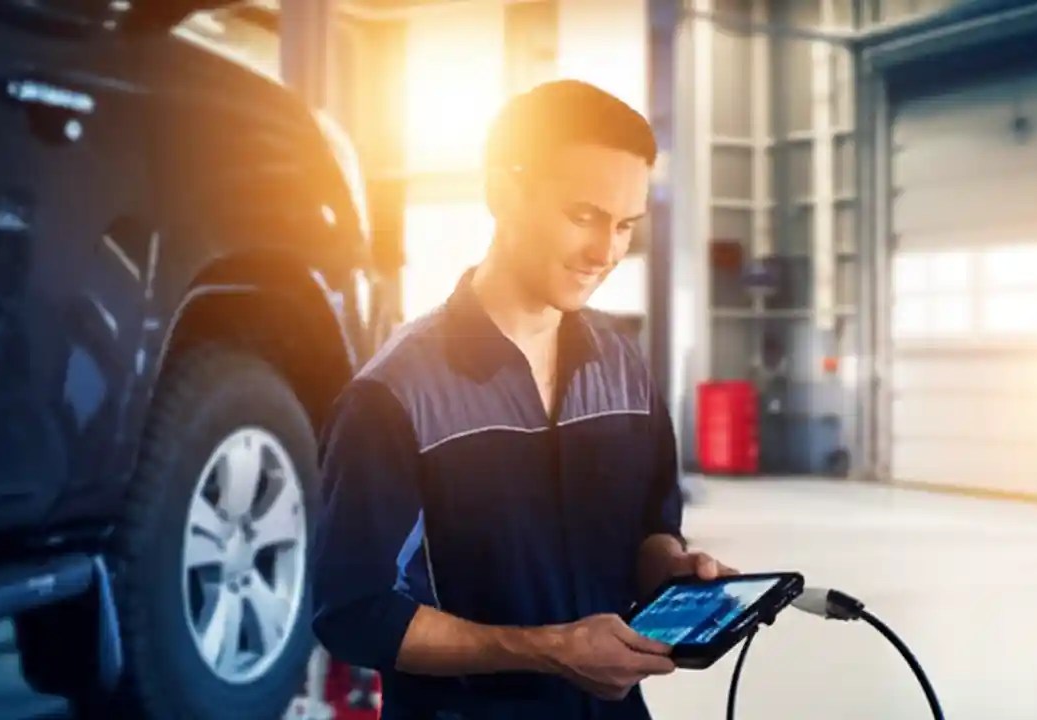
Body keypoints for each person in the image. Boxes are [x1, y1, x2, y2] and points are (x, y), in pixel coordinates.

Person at [311, 79, 737, 720]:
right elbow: (354, 611)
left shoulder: (621, 368)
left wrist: (677, 572)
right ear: (502, 193)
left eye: (625, 226)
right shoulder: (394, 395)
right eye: (583, 216)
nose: (605, 252)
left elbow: (651, 529)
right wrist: (550, 649)